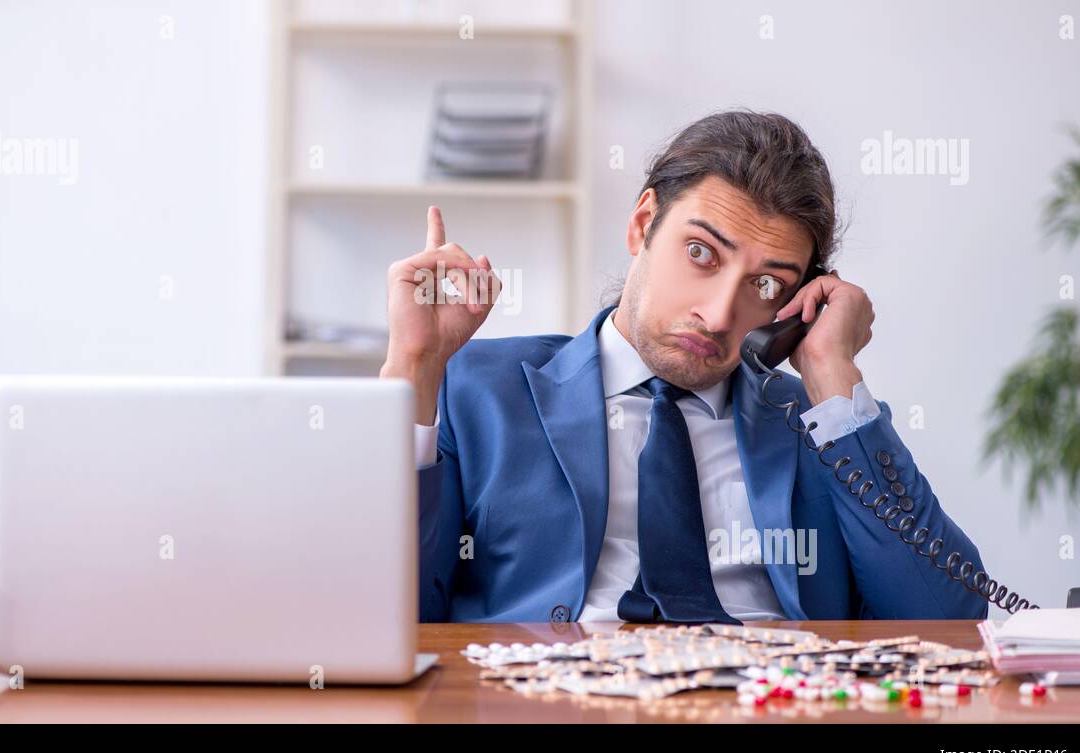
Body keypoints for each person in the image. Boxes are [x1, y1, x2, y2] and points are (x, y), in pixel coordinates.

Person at [380, 111, 989, 624]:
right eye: (701, 253)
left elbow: (946, 617)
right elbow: (380, 608)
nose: (720, 314)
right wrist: (414, 366)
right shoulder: (476, 389)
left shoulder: (819, 425)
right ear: (644, 224)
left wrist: (832, 371)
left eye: (766, 284)